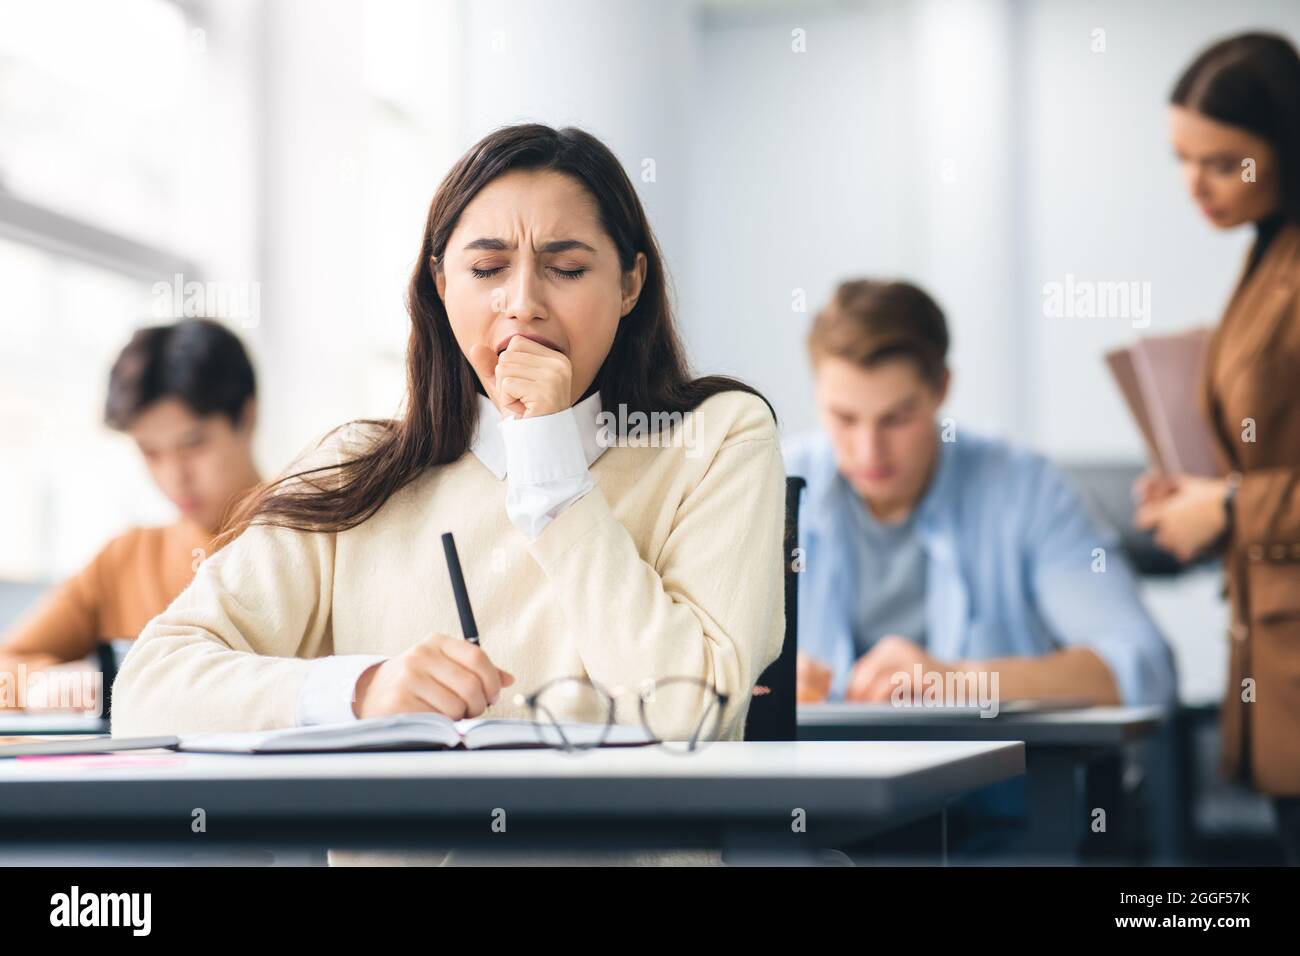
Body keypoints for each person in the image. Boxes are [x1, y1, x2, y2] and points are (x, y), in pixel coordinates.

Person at [110, 124, 785, 755]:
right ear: (440, 284)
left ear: (630, 284)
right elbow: (147, 691)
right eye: (487, 270)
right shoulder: (355, 469)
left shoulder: (719, 437)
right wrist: (360, 690)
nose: (522, 303)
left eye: (568, 269)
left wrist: (548, 461)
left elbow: (691, 716)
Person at [789, 279, 1175, 710]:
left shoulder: (1025, 487)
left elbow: (1144, 667)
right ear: (816, 395)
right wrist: (750, 683)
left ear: (941, 389)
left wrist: (959, 681)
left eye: (896, 418)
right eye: (844, 418)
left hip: (992, 777)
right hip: (812, 777)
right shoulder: (766, 486)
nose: (868, 450)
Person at [1136, 32, 1300, 864]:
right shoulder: (1265, 251)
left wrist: (1231, 506)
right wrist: (1197, 494)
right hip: (1271, 643)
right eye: (1181, 158)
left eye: (1222, 160)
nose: (1194, 185)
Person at [0, 319, 261, 703]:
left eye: (194, 445)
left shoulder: (311, 541)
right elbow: (8, 667)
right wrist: (82, 687)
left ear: (247, 417)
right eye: (150, 452)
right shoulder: (125, 559)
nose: (175, 477)